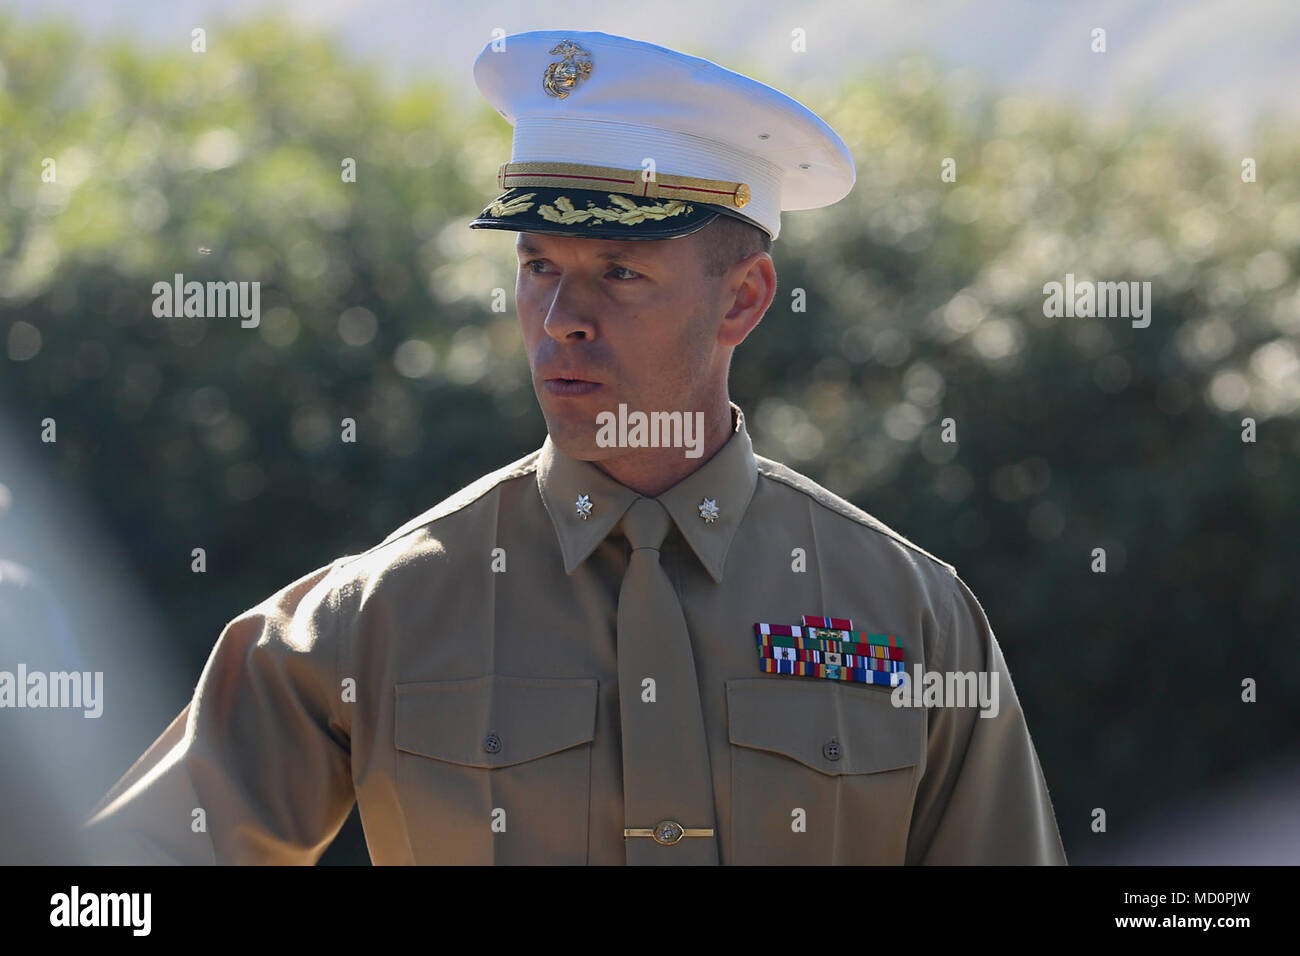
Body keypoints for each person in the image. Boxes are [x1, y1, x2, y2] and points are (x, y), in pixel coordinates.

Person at [83, 29, 1067, 865]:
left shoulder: (908, 614)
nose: (561, 318)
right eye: (537, 266)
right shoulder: (376, 614)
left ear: (743, 298)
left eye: (619, 271)